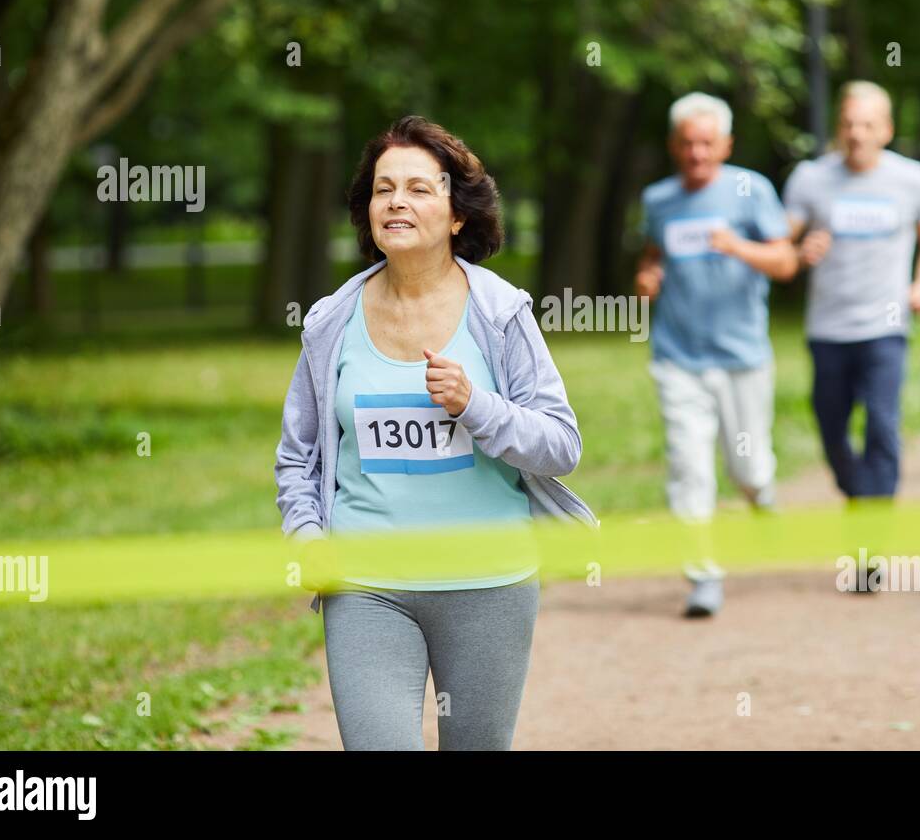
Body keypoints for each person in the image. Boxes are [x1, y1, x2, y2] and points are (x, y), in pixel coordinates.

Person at [273, 115, 596, 749]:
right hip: (366, 585)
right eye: (383, 188)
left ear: (456, 216)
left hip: (486, 582)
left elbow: (562, 445)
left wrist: (478, 406)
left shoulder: (500, 313)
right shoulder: (331, 321)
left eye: (419, 188)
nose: (396, 201)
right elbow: (298, 457)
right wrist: (308, 537)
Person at [635, 92, 798, 618]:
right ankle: (703, 576)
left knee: (747, 466)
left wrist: (739, 248)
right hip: (678, 357)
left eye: (707, 143)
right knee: (689, 467)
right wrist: (647, 278)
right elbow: (653, 255)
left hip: (742, 356)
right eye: (687, 144)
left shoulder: (753, 191)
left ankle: (761, 496)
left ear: (726, 144)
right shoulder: (659, 199)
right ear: (673, 146)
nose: (697, 153)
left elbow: (786, 261)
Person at [783, 81, 920, 502]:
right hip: (828, 328)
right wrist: (801, 251)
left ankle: (872, 536)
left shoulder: (912, 180)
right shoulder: (810, 178)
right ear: (839, 127)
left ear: (887, 130)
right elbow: (780, 247)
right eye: (849, 124)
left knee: (882, 423)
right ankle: (860, 493)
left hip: (886, 326)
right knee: (831, 428)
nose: (857, 133)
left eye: (867, 124)